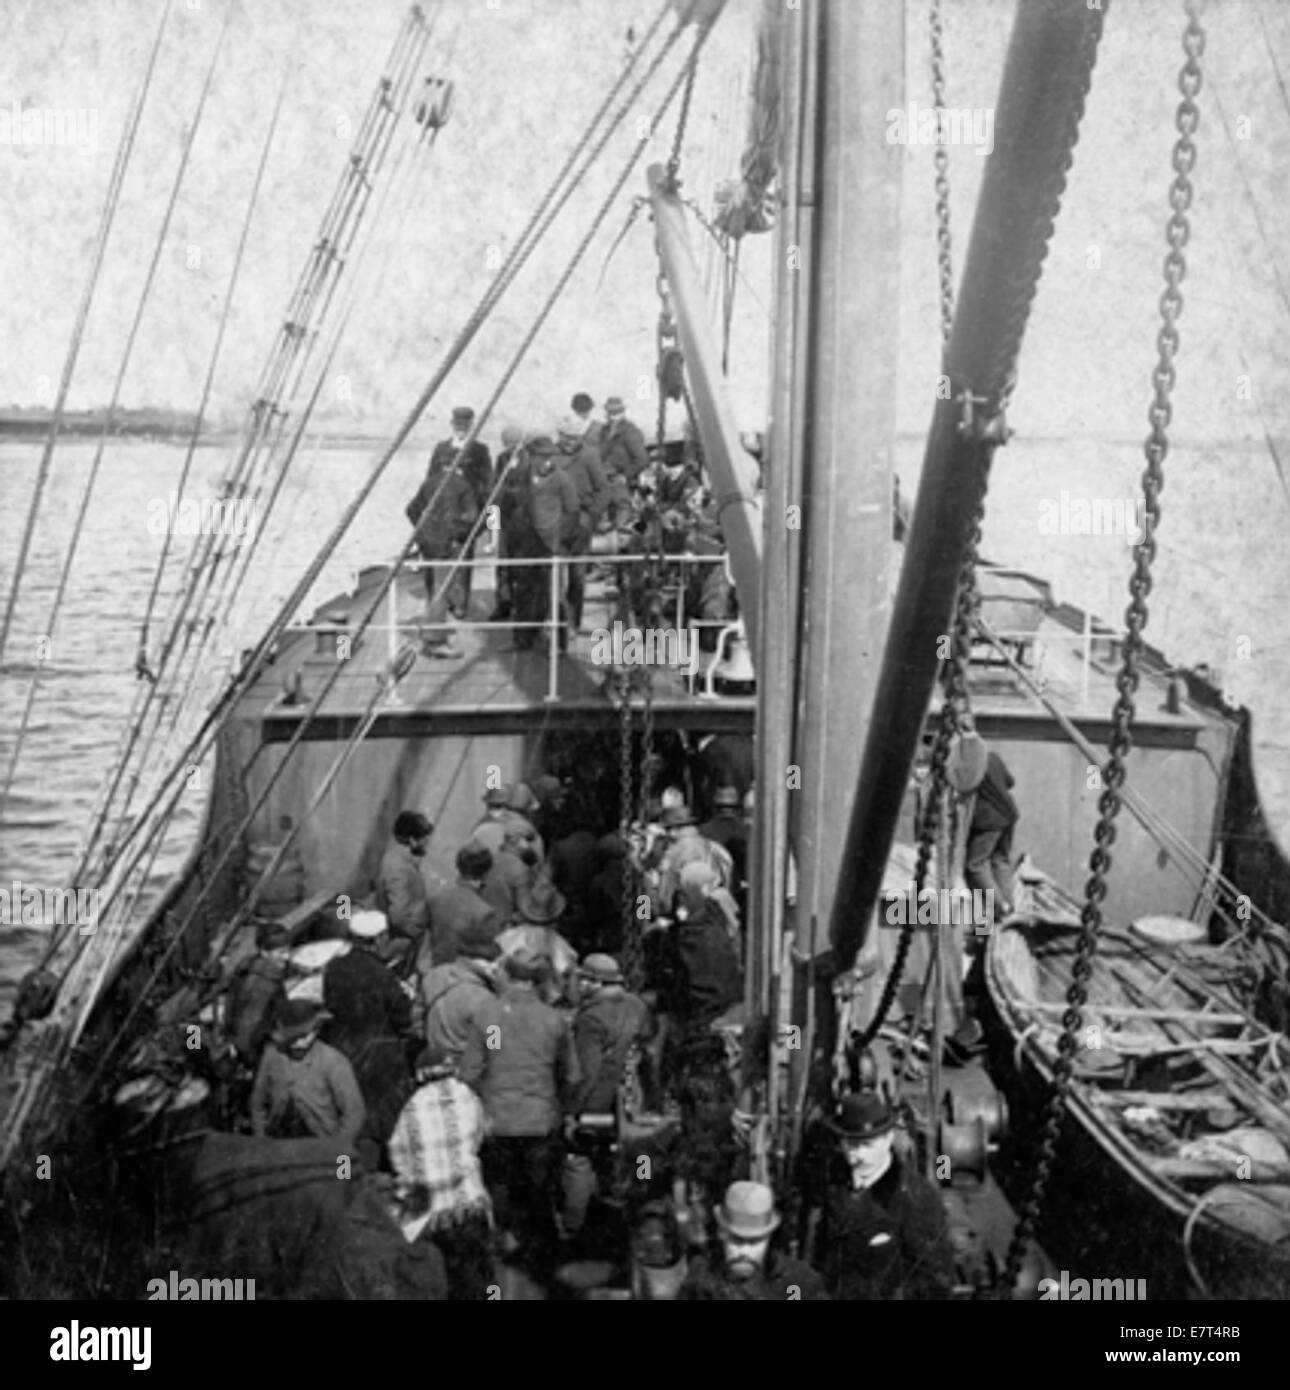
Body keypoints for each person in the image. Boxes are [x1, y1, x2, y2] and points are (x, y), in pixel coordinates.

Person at [460, 944, 581, 1263]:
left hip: (496, 1121)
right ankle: (542, 1264)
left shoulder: (489, 1016)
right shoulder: (554, 1020)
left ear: (508, 976)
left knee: (500, 1196)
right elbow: (571, 1075)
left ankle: (500, 1261)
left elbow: (470, 1072)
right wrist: (562, 1109)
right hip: (540, 1121)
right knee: (539, 1199)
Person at [808, 1091, 954, 1301]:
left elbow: (936, 1283)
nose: (856, 1156)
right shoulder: (833, 1185)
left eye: (867, 1145)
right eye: (849, 1144)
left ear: (888, 1139)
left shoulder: (916, 1196)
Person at [388, 1043, 493, 1299]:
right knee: (476, 1278)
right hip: (468, 1204)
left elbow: (398, 1155)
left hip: (429, 1214)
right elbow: (480, 1136)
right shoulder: (468, 1096)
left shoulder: (411, 1106)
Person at [560, 954, 652, 1241]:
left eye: (582, 979)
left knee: (578, 1158)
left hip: (597, 1104)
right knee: (640, 1154)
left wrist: (572, 1113)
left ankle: (572, 1226)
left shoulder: (591, 1018)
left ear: (593, 982)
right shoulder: (637, 1006)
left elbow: (588, 1072)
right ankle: (638, 1211)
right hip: (632, 1100)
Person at [322, 910, 414, 1149]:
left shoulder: (334, 968)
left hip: (342, 1049)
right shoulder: (381, 974)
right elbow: (402, 1016)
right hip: (379, 1055)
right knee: (381, 1117)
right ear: (379, 939)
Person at [680, 1181, 827, 1300]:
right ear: (721, 1234)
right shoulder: (701, 1276)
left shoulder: (797, 1283)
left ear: (769, 1238)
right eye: (736, 1240)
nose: (744, 1251)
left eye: (754, 1242)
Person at [250, 999, 366, 1147]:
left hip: (325, 1144)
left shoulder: (334, 1061)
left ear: (316, 1030)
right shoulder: (271, 1056)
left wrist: (339, 1154)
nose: (298, 1043)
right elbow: (257, 1104)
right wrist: (261, 1143)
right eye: (292, 1039)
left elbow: (355, 1115)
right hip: (280, 1144)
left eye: (304, 1036)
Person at [406, 438, 479, 658]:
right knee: (441, 589)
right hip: (447, 547)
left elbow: (411, 510)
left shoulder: (429, 483)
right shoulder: (462, 485)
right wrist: (458, 536)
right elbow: (471, 517)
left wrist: (424, 533)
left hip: (429, 546)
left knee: (434, 587)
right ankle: (435, 641)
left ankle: (432, 630)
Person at [514, 434, 579, 653]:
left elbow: (573, 512)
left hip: (552, 545)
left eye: (550, 457)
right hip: (525, 545)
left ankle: (559, 644)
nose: (547, 462)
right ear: (531, 457)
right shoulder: (519, 477)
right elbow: (497, 506)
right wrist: (496, 536)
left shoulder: (562, 479)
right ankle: (522, 639)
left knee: (555, 595)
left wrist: (562, 541)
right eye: (542, 457)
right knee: (524, 592)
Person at [420, 923, 502, 1063]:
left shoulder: (432, 977)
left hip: (435, 1063)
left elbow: (417, 1022)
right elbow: (495, 1047)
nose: (495, 966)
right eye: (489, 960)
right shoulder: (485, 998)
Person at [556, 416, 608, 631]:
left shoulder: (589, 455)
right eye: (566, 438)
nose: (570, 442)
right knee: (554, 577)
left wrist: (592, 517)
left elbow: (603, 490)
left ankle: (572, 623)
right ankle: (557, 624)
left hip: (581, 522)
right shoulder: (550, 456)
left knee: (577, 577)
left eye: (575, 438)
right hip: (555, 522)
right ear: (559, 436)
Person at [376, 810, 436, 976]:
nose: (427, 842)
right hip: (406, 938)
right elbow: (398, 914)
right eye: (424, 838)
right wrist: (415, 932)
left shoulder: (400, 858)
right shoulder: (398, 868)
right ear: (411, 840)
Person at [225, 919, 290, 1066]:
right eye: (281, 952)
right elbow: (248, 1029)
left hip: (235, 1036)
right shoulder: (263, 988)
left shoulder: (250, 965)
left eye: (288, 950)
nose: (287, 957)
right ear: (264, 952)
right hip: (254, 1051)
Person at [965, 746, 1019, 922]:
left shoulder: (969, 764)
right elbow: (1011, 782)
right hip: (1009, 813)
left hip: (989, 820)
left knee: (976, 865)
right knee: (1000, 859)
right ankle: (1010, 907)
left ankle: (1000, 906)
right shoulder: (992, 757)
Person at [424, 843, 499, 968]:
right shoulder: (485, 913)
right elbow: (490, 953)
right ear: (486, 873)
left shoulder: (436, 897)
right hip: (459, 976)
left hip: (433, 967)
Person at [656, 804, 733, 914]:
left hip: (684, 916)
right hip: (716, 914)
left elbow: (663, 899)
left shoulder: (673, 853)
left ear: (672, 830)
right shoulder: (717, 849)